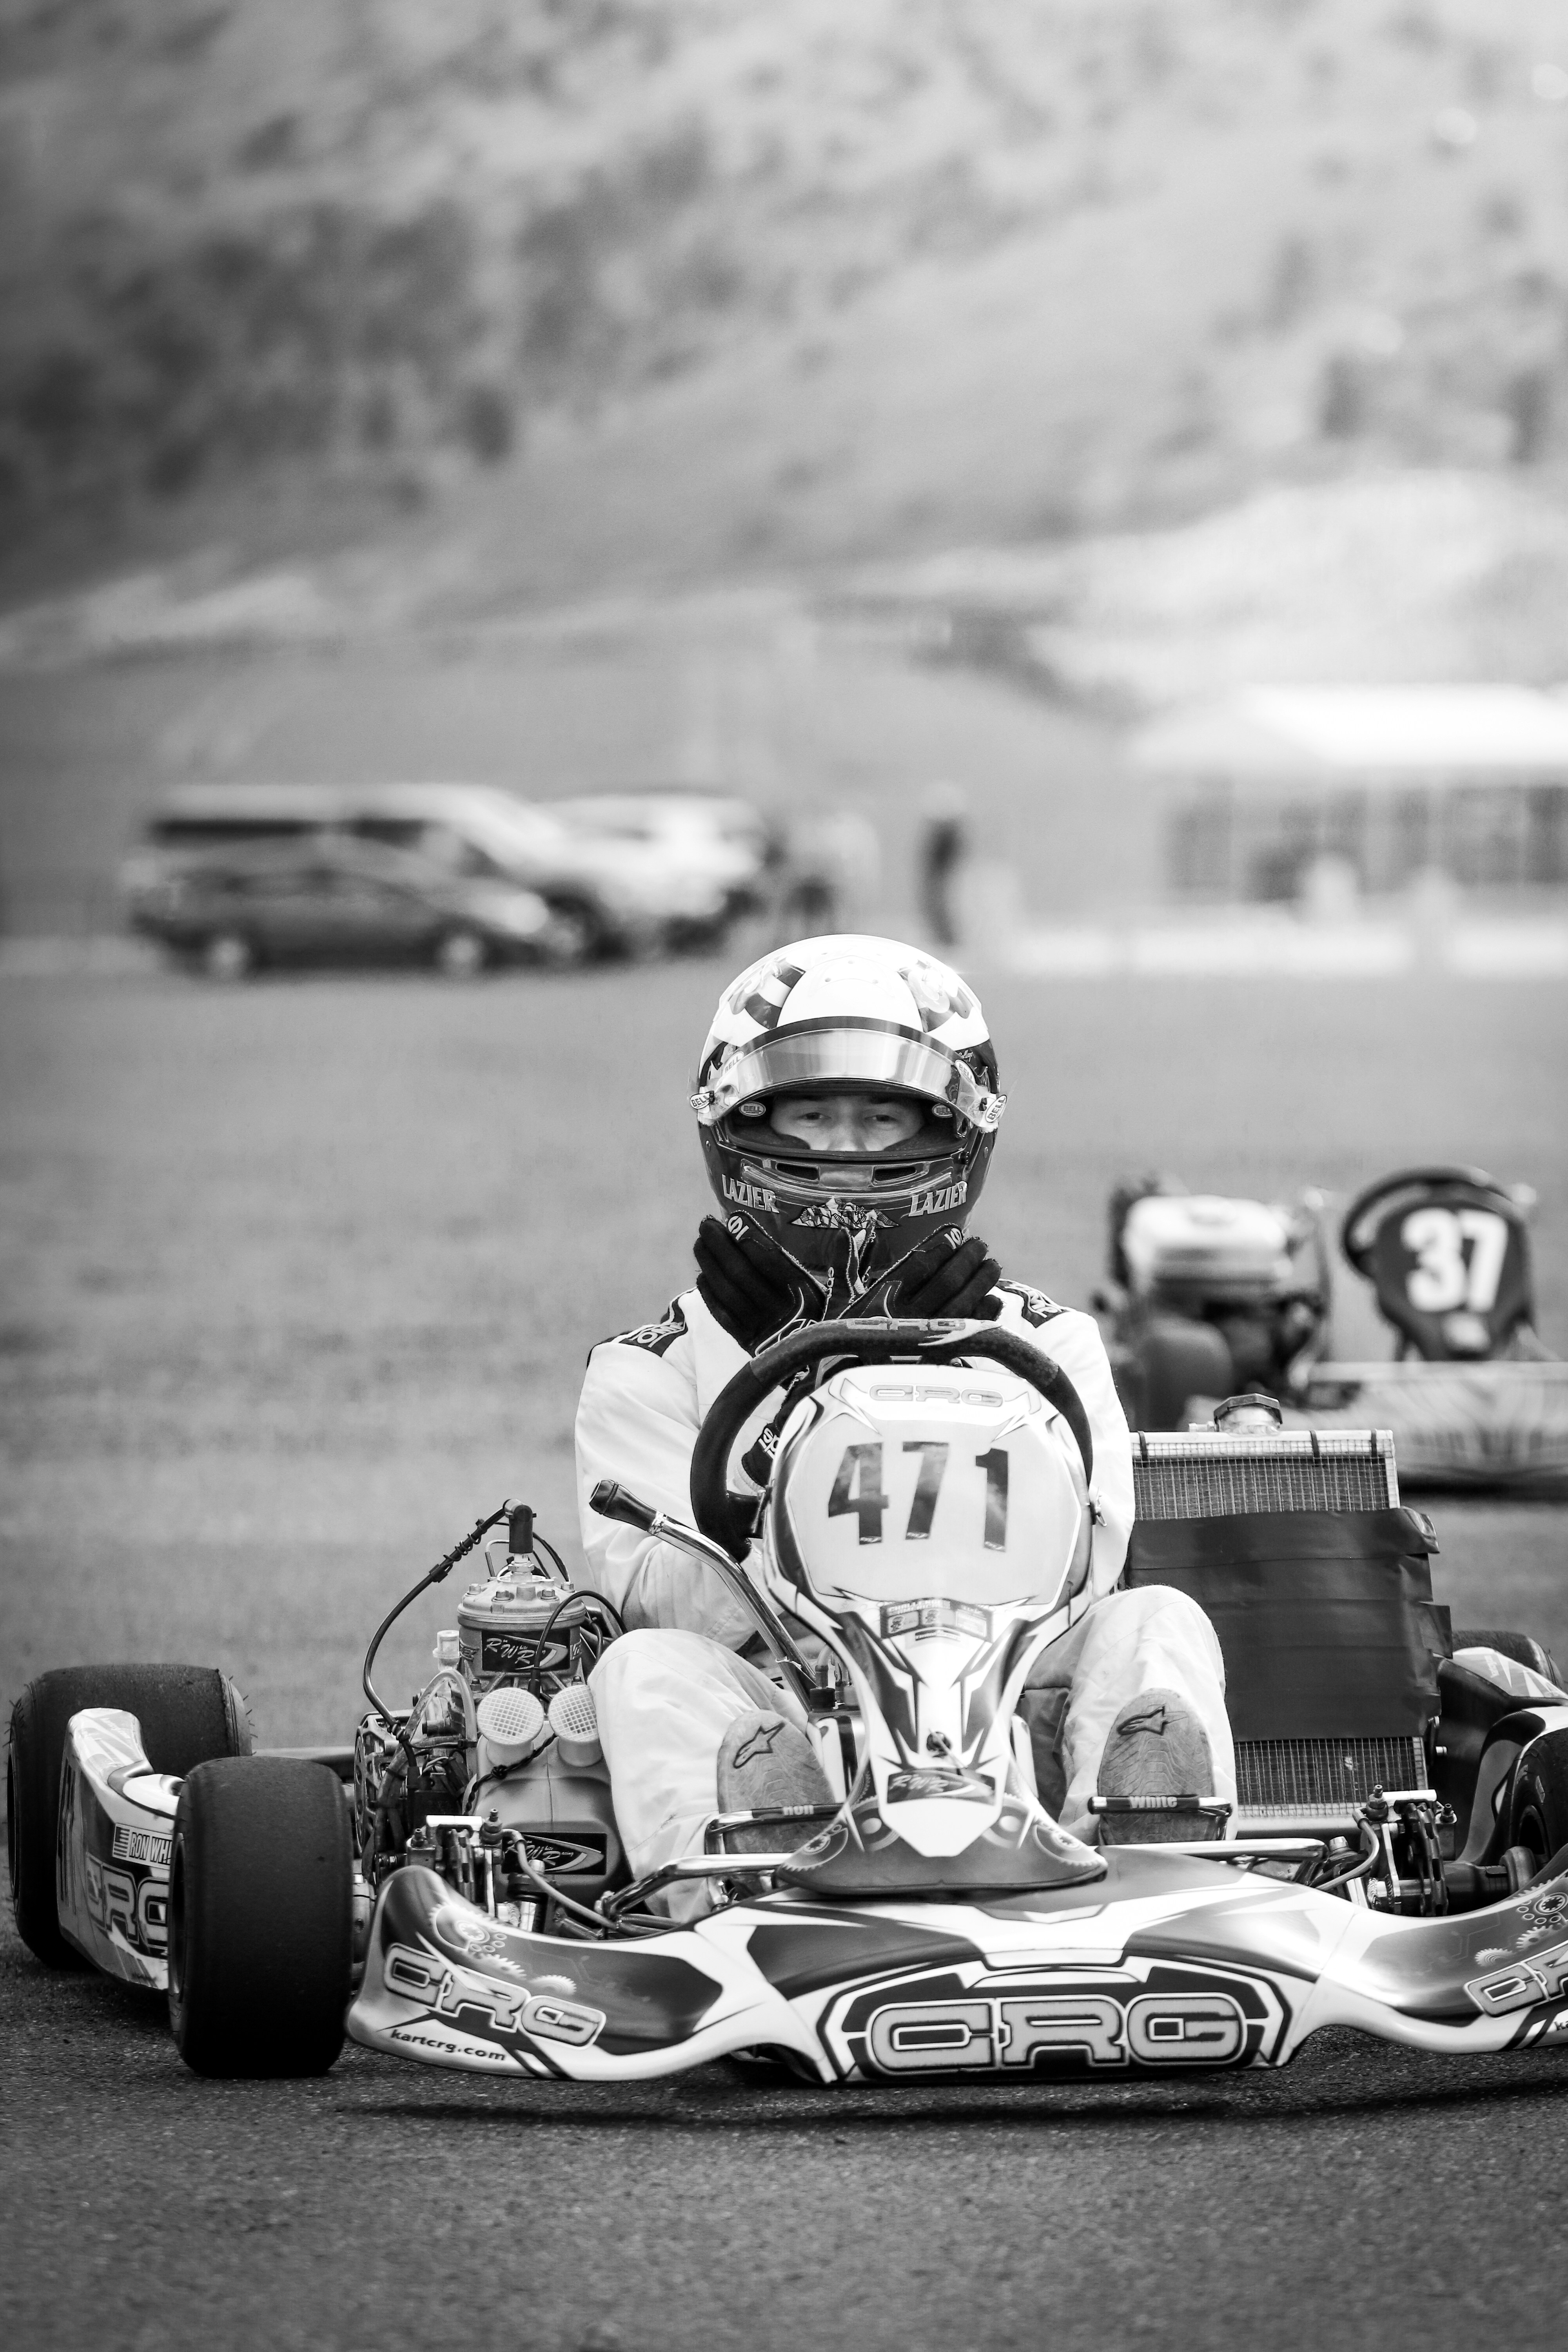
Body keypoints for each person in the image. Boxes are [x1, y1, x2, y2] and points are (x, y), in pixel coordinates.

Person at [575, 934, 1234, 1913]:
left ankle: (1158, 1893)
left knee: (1156, 1620)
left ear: (952, 1132)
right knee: (645, 1668)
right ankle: (753, 1894)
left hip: (1008, 1706)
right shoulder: (650, 1367)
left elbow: (1085, 1570)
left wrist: (948, 1363)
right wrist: (803, 1380)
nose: (843, 1150)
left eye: (881, 1118)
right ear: (739, 1122)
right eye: (810, 1116)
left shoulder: (1049, 1344)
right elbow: (672, 1606)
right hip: (792, 1708)